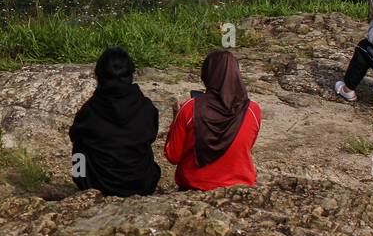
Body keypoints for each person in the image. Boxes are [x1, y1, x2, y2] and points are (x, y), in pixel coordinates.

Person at [69, 46, 161, 196]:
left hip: (98, 185)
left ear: (99, 77)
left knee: (79, 146)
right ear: (131, 75)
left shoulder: (89, 111)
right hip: (143, 185)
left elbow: (75, 136)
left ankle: (80, 179)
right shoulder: (146, 107)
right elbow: (151, 137)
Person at [165, 50, 261, 191]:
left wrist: (176, 119)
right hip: (240, 187)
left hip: (195, 185)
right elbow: (245, 146)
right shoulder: (253, 110)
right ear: (236, 75)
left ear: (206, 76)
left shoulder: (189, 108)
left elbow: (173, 156)